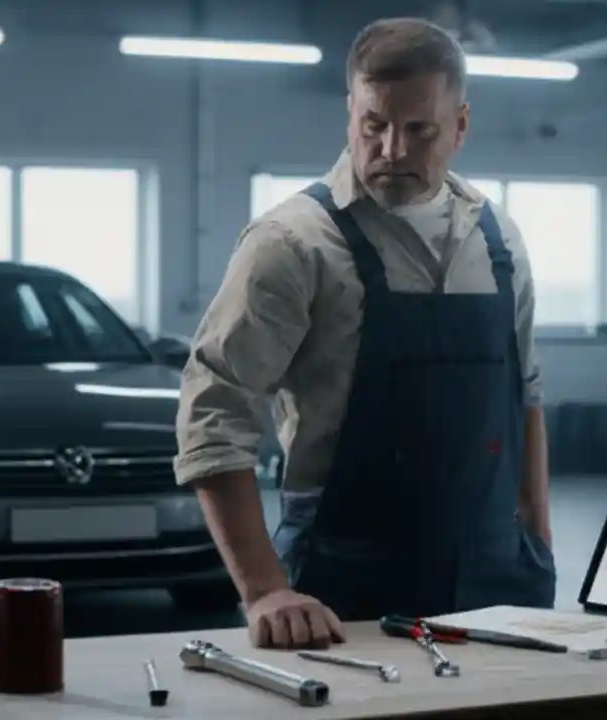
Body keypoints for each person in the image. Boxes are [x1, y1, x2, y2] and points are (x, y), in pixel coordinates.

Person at [174, 17, 555, 650]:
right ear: (350, 112)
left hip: (499, 579)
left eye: (419, 130)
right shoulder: (293, 243)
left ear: (460, 125)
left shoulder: (499, 240)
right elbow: (215, 413)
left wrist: (536, 540)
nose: (392, 150)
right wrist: (265, 590)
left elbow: (528, 394)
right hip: (341, 580)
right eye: (374, 125)